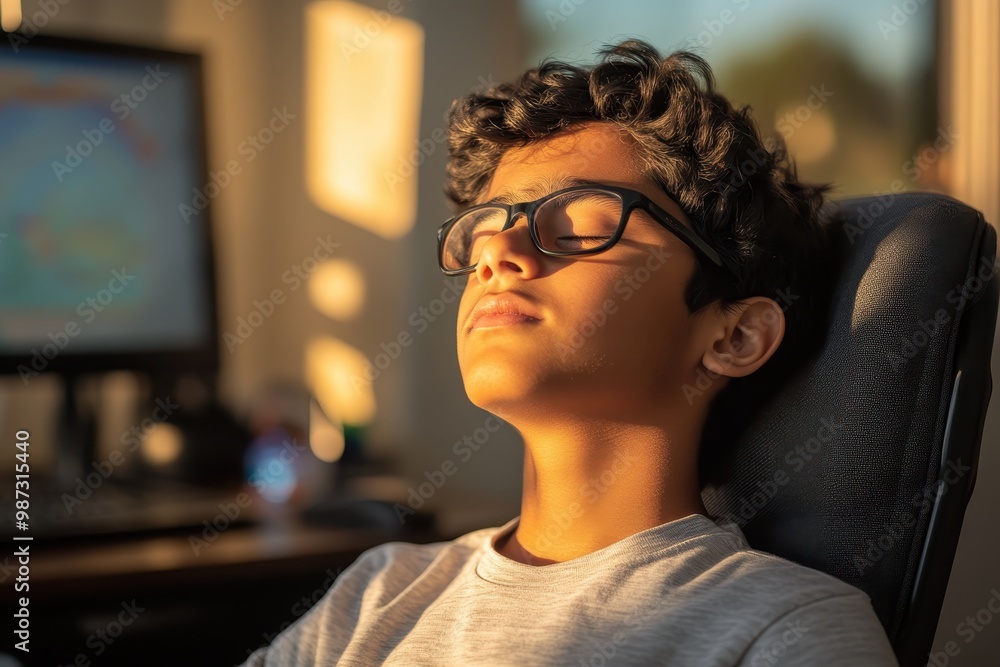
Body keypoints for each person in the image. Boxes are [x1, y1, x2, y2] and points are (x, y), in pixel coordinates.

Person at [242, 39, 899, 666]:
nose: (497, 253)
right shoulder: (380, 592)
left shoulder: (783, 624)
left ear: (734, 336)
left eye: (580, 219)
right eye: (483, 229)